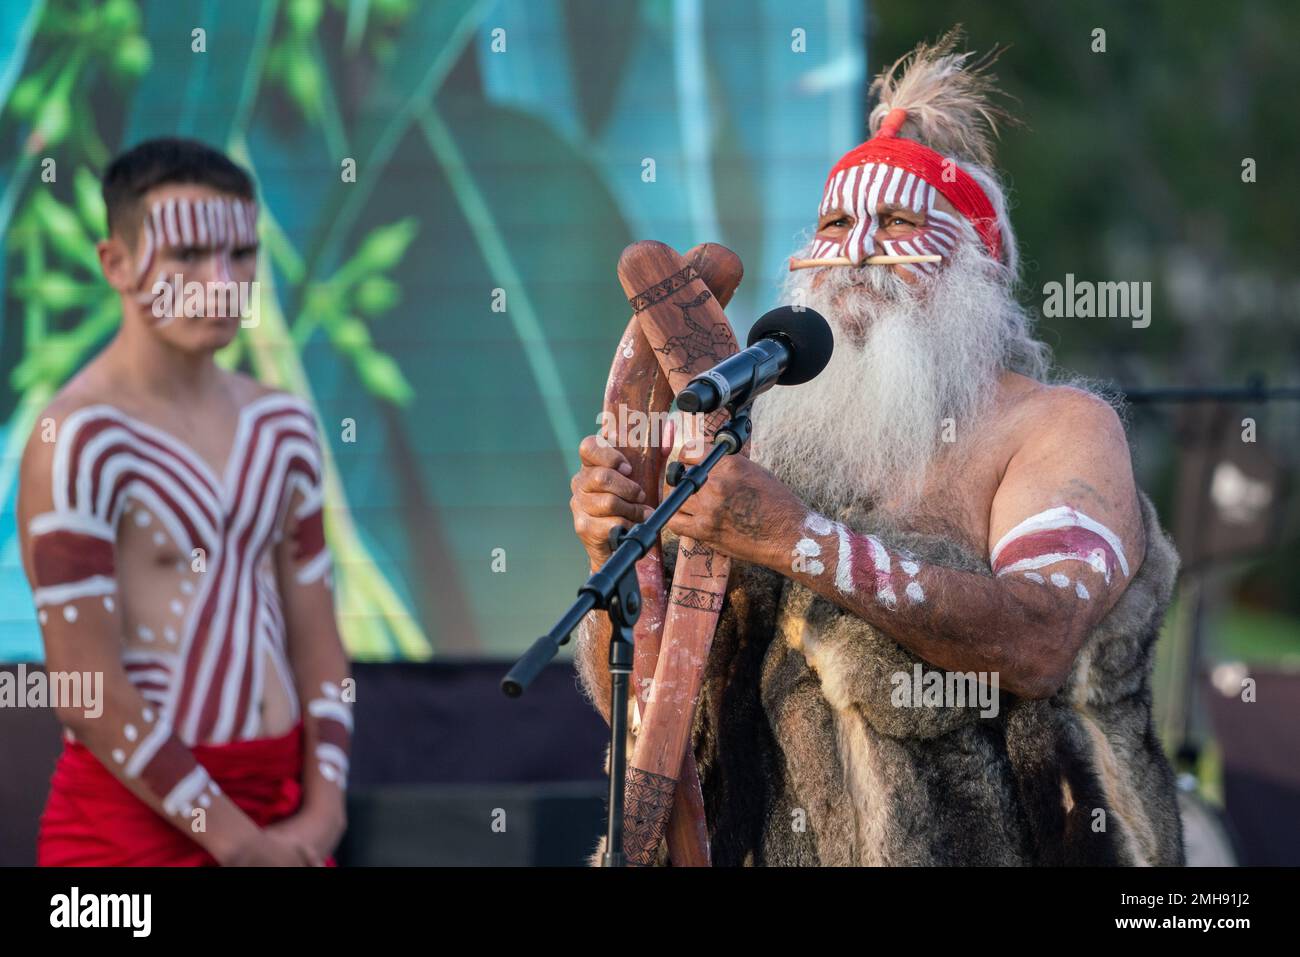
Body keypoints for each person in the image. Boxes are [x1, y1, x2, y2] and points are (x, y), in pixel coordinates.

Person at [570, 33, 1184, 865]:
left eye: (897, 222)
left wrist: (796, 538)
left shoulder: (1054, 425)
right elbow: (660, 703)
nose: (857, 248)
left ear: (979, 268)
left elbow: (1042, 640)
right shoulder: (761, 436)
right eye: (834, 223)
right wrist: (623, 555)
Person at [18, 137, 352, 866]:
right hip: (128, 832)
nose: (221, 283)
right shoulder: (79, 437)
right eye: (188, 255)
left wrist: (322, 816)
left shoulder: (284, 426)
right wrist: (238, 843)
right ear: (115, 264)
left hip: (282, 820)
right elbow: (83, 688)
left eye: (242, 255)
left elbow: (319, 642)